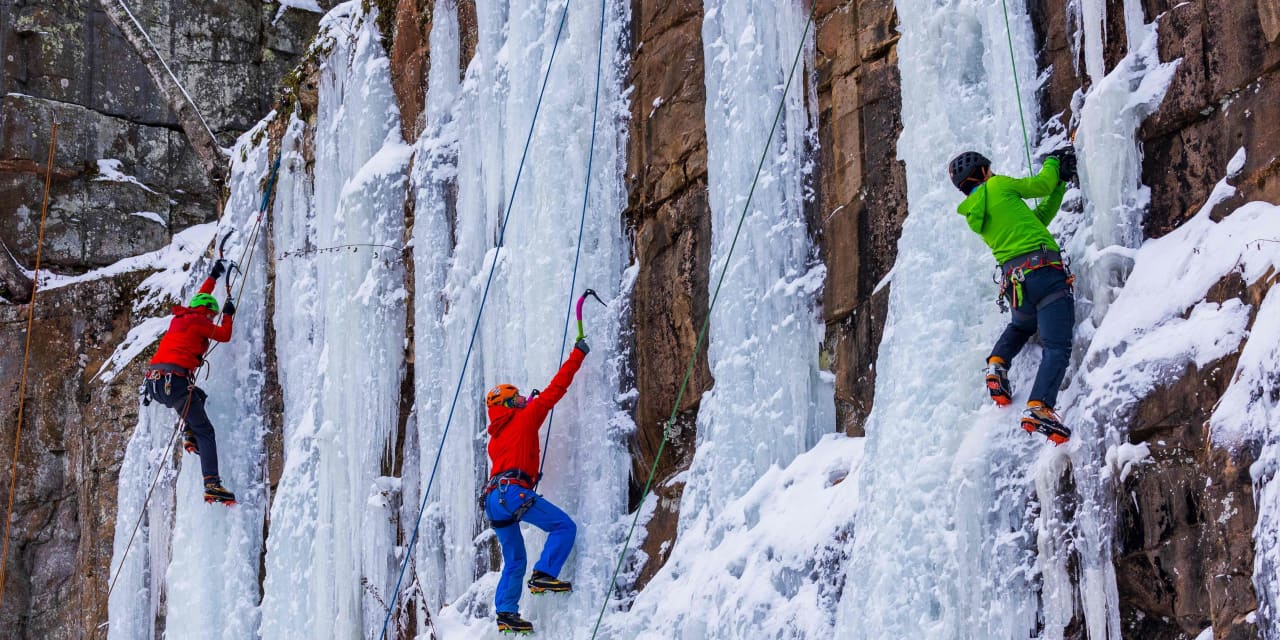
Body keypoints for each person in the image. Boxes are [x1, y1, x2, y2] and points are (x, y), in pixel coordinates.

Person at [949, 148, 1077, 444]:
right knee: (1057, 346)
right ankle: (1039, 407)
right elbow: (1040, 185)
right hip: (1044, 274)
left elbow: (1038, 219)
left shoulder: (975, 211)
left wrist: (1060, 186)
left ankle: (997, 364)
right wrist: (1053, 164)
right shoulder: (998, 185)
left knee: (1022, 325)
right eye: (988, 169)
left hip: (1017, 286)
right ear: (982, 173)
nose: (992, 172)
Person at [484, 340, 589, 634]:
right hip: (514, 493)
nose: (521, 401)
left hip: (494, 498)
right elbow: (556, 388)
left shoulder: (496, 438)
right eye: (515, 399)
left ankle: (506, 612)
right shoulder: (526, 418)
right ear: (507, 405)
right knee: (564, 527)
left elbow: (518, 451)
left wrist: (526, 406)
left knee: (515, 558)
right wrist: (578, 355)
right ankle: (544, 574)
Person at [145, 259, 238, 504]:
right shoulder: (200, 321)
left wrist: (213, 276)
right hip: (174, 383)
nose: (212, 318)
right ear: (207, 313)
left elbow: (200, 297)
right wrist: (228, 315)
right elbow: (224, 335)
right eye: (212, 314)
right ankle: (212, 484)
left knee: (199, 397)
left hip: (156, 384)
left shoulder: (182, 317)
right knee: (206, 431)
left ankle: (188, 434)